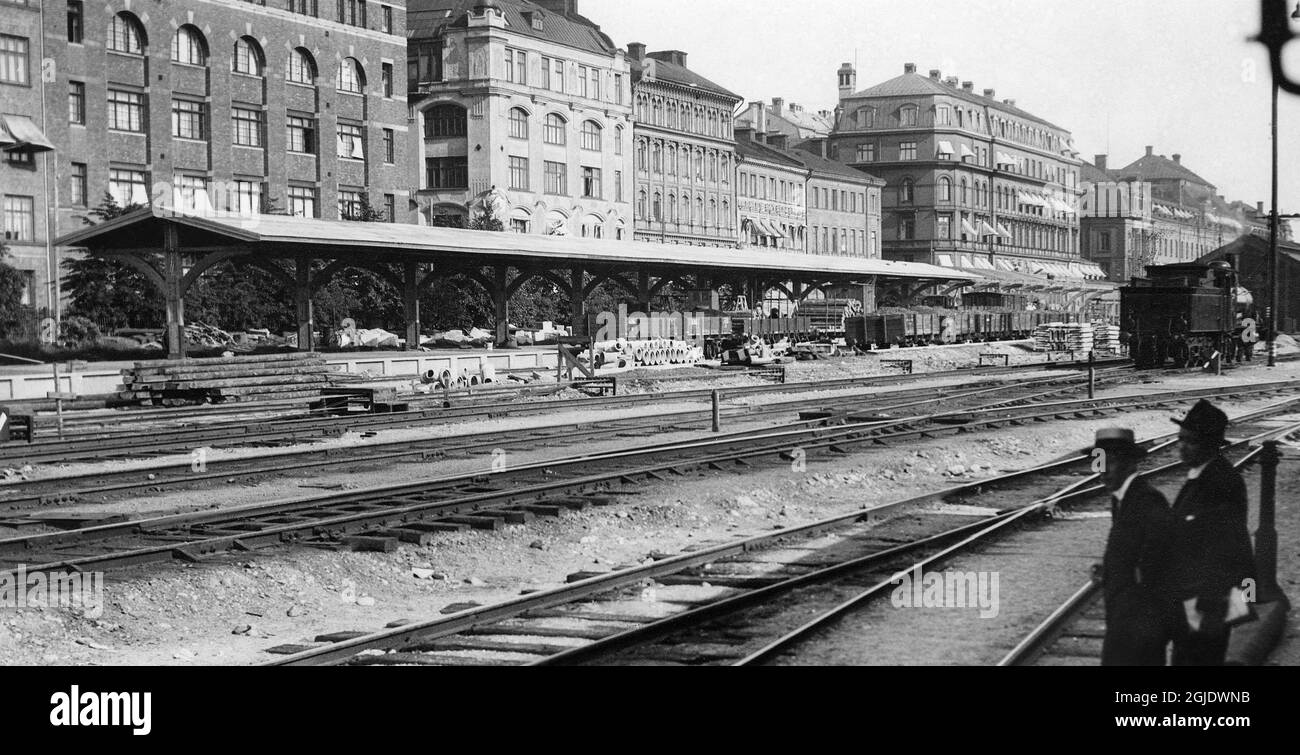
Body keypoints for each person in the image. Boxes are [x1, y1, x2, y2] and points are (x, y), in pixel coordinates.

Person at [1166, 400, 1257, 666]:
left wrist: (1205, 611)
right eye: (1180, 439)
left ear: (1209, 444)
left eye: (1190, 441)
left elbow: (1226, 549)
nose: (1181, 446)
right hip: (1195, 600)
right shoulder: (1202, 475)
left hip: (1208, 604)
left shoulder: (1219, 483)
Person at [1092, 428, 1173, 666]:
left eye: (1110, 463)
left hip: (1140, 626)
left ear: (1129, 463)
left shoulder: (1147, 500)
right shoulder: (1122, 499)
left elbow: (1160, 565)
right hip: (1124, 618)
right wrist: (1110, 567)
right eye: (1099, 463)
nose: (1102, 472)